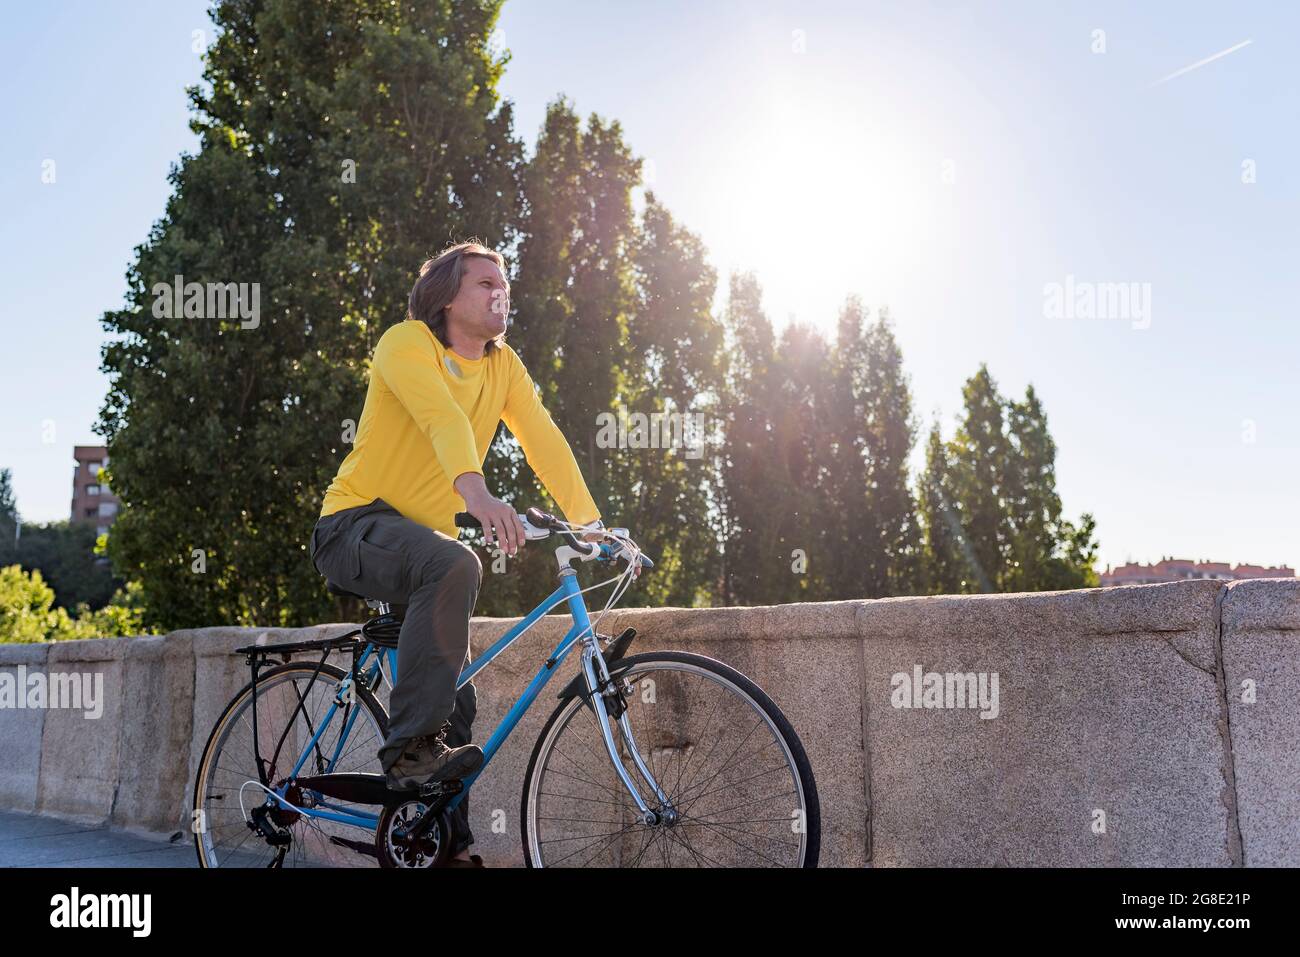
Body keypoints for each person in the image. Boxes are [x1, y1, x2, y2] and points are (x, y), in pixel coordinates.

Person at [309, 241, 605, 868]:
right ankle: (408, 751)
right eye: (486, 283)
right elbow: (440, 416)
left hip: (413, 548)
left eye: (506, 284)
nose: (502, 293)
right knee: (456, 561)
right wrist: (476, 493)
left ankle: (442, 849)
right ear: (447, 296)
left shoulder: (504, 368)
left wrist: (591, 523)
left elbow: (544, 439)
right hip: (353, 527)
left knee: (458, 697)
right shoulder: (406, 344)